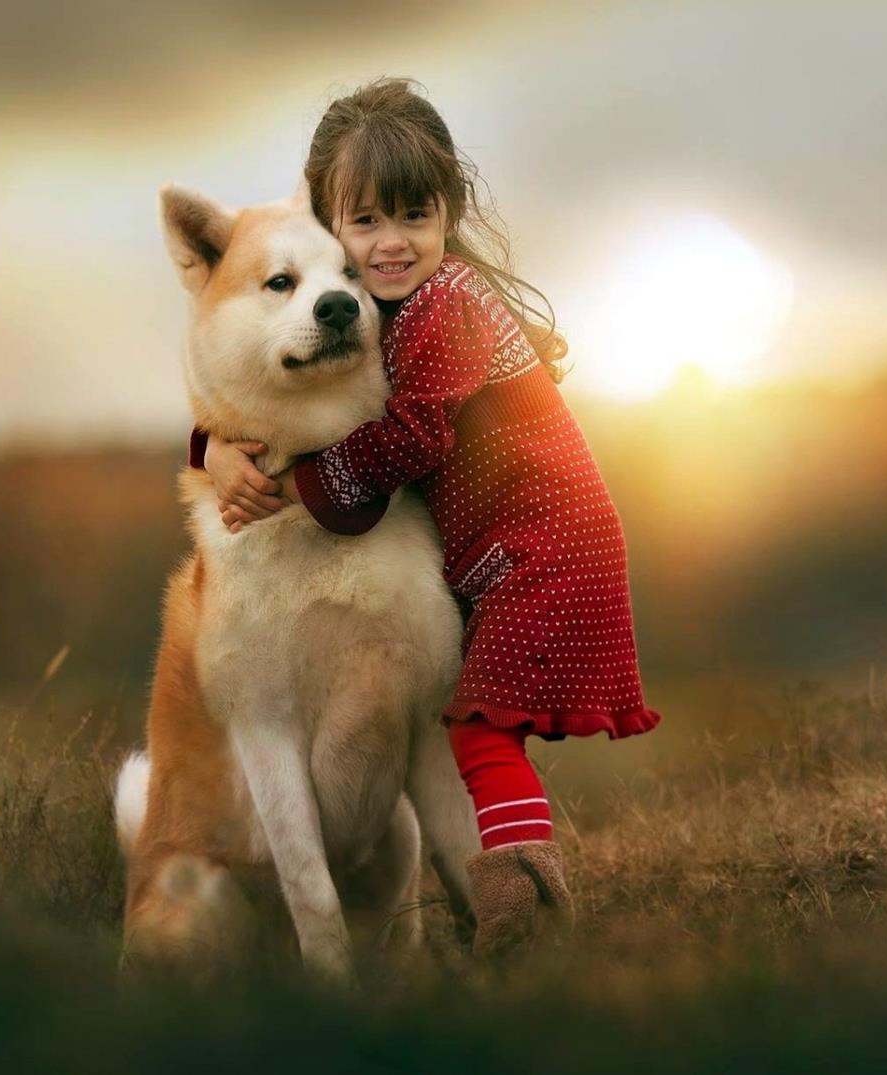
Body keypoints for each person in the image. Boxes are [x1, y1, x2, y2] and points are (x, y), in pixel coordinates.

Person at [189, 77, 660, 958]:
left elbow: (398, 440)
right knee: (474, 727)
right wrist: (213, 451)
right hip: (519, 549)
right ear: (332, 225)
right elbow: (281, 396)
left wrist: (284, 488)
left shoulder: (445, 308)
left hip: (541, 549)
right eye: (366, 222)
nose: (392, 242)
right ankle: (504, 903)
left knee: (476, 727)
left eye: (414, 215)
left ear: (449, 212)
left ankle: (522, 908)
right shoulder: (380, 303)